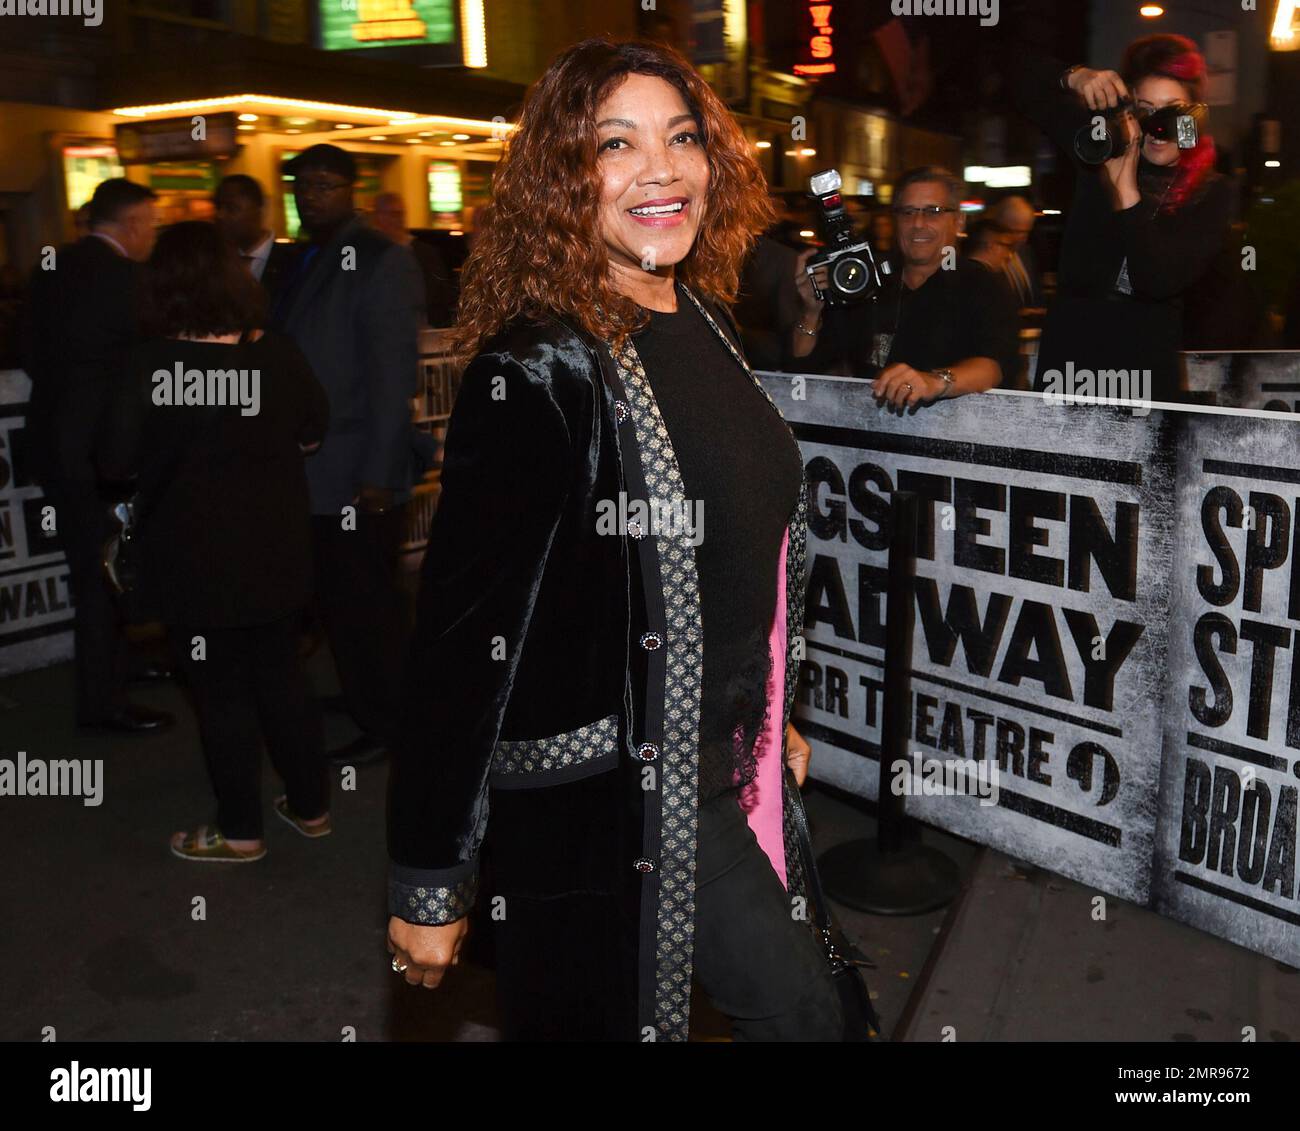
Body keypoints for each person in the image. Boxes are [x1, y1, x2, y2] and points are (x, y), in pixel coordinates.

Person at [385, 36, 841, 1043]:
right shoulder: (541, 366)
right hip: (620, 796)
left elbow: (738, 556)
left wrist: (770, 710)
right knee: (805, 1015)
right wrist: (430, 876)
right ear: (562, 179)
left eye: (680, 138)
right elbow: (462, 640)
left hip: (728, 755)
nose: (661, 170)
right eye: (615, 146)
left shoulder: (705, 321)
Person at [102, 222, 330, 862]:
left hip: (194, 559)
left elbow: (114, 463)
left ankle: (241, 831)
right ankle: (311, 807)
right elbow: (313, 433)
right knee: (284, 677)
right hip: (278, 550)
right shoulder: (276, 352)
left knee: (221, 693)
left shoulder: (149, 366)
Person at [271, 144, 424, 766]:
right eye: (302, 185)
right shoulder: (301, 258)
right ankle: (367, 699)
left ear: (352, 190)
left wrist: (379, 476)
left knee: (367, 608)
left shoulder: (381, 261)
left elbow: (393, 378)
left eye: (326, 185)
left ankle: (389, 723)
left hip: (359, 471)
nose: (311, 196)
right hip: (314, 469)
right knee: (340, 601)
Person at [22, 178, 174, 734]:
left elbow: (33, 354)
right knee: (102, 574)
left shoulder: (51, 269)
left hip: (55, 445)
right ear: (131, 225)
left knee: (92, 567)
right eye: (151, 225)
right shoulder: (128, 282)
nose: (153, 235)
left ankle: (119, 670)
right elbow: (142, 372)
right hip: (100, 455)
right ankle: (102, 702)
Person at [1014, 34, 1231, 402]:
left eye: (1173, 110)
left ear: (1195, 116)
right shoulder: (1098, 147)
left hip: (1144, 369)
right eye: (1146, 109)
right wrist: (1075, 77)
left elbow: (1157, 280)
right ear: (1129, 110)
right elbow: (1017, 76)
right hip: (1071, 362)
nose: (1158, 126)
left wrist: (1127, 192)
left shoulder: (1211, 192)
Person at [788, 166, 1019, 408]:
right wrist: (811, 311)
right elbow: (803, 365)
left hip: (955, 436)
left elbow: (994, 366)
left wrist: (934, 382)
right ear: (894, 220)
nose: (918, 223)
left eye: (933, 212)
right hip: (865, 433)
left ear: (959, 221)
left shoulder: (983, 285)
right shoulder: (866, 278)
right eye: (907, 212)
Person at [370, 192, 456, 327]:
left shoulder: (424, 253)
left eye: (401, 214)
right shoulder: (368, 254)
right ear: (378, 218)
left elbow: (440, 296)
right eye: (393, 215)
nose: (398, 220)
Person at [213, 174, 295, 300]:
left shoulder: (293, 260)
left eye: (232, 208)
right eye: (218, 207)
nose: (220, 215)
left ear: (260, 209)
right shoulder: (215, 262)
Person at [987, 195, 1043, 309]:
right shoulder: (988, 257)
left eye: (1026, 232)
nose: (1022, 238)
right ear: (1000, 225)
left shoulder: (1026, 253)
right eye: (1016, 232)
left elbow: (1035, 294)